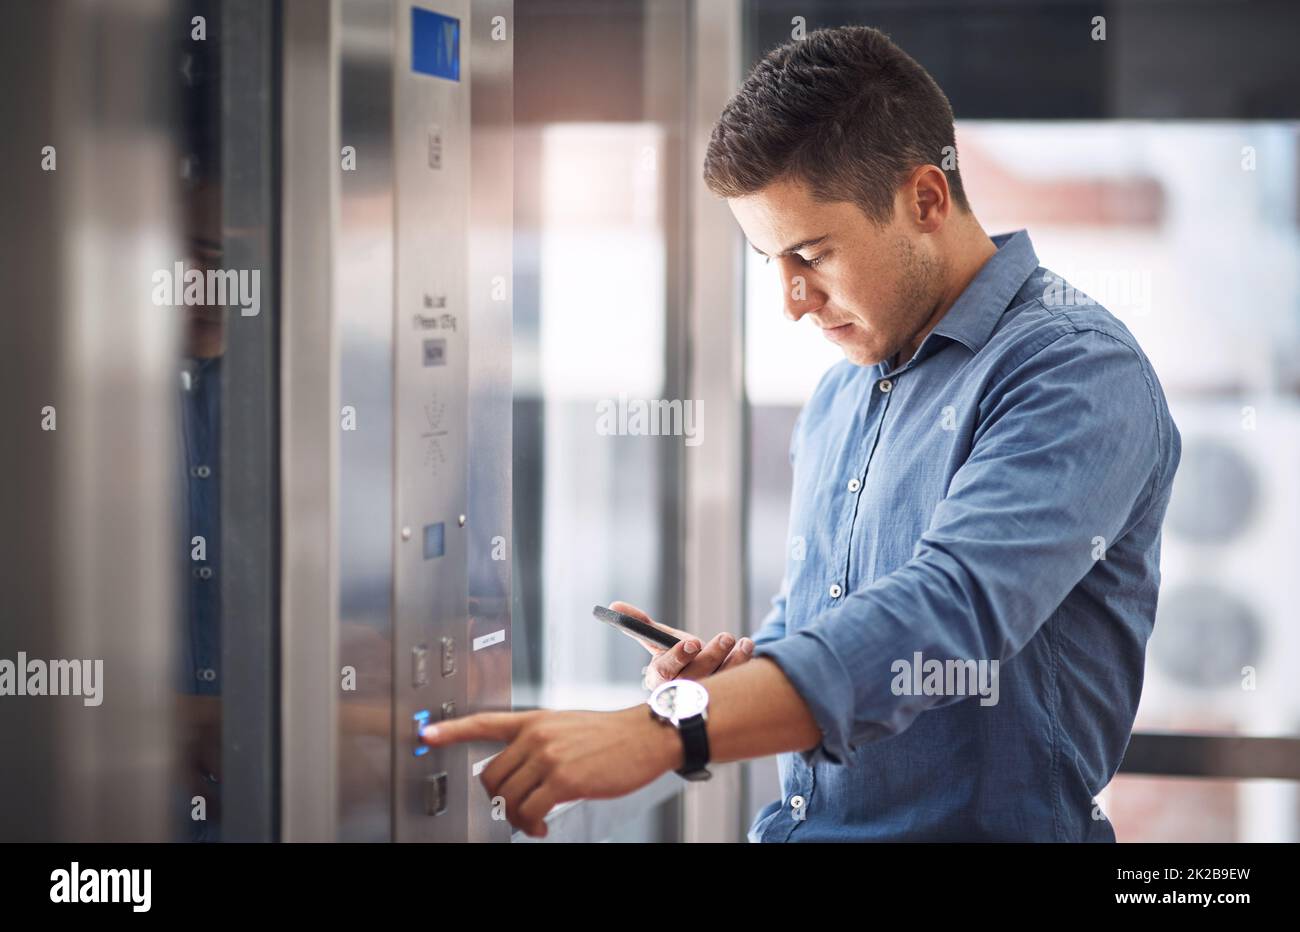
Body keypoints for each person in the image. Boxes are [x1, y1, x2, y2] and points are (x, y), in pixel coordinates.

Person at [422, 24, 1182, 842]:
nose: (791, 300)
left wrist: (663, 734)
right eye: (770, 262)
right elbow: (821, 635)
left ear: (926, 198)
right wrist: (732, 681)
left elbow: (949, 613)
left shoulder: (1073, 373)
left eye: (811, 255)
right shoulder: (840, 395)